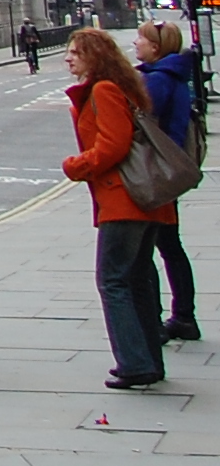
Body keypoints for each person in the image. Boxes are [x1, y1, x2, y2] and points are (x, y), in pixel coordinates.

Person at [62, 25, 175, 389]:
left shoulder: (105, 89)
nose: (68, 59)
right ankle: (148, 361)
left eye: (75, 53)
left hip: (124, 200)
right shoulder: (122, 86)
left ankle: (134, 363)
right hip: (142, 200)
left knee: (113, 281)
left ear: (94, 57)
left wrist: (77, 166)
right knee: (137, 280)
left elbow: (114, 145)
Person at [135, 20, 200, 345]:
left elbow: (141, 122)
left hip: (155, 170)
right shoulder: (174, 75)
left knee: (143, 248)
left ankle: (155, 320)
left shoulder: (158, 79)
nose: (136, 43)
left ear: (156, 47)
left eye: (141, 39)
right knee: (170, 246)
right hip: (170, 166)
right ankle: (184, 316)